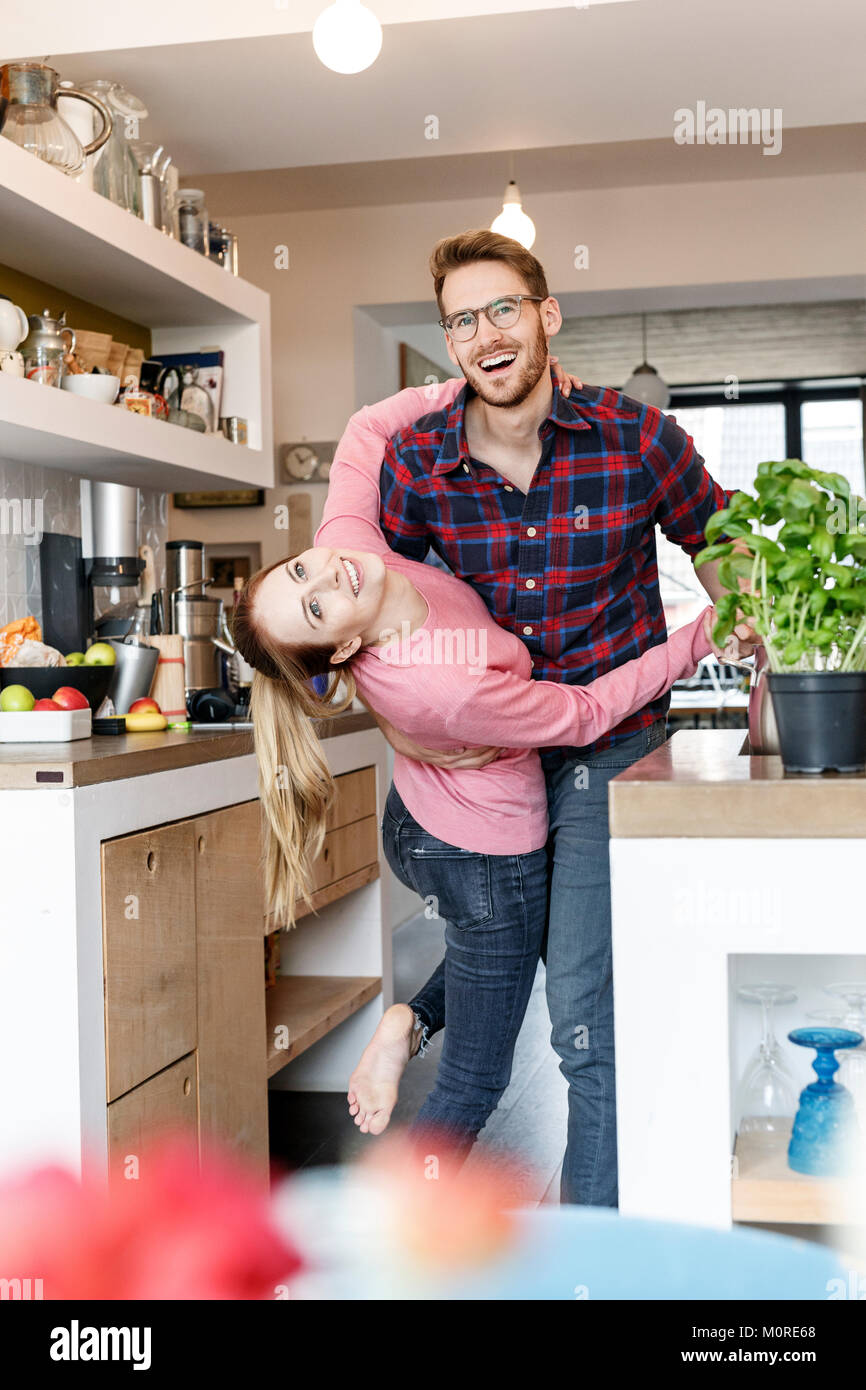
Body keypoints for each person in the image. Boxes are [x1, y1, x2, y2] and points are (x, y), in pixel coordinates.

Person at [314, 227, 759, 1204]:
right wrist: (387, 706)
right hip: (486, 769)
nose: (485, 333)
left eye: (502, 308)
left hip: (608, 742)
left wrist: (745, 612)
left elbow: (714, 538)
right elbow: (354, 597)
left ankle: (586, 1250)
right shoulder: (418, 464)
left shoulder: (636, 437)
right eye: (461, 321)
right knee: (518, 964)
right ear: (450, 344)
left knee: (578, 1015)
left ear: (546, 317)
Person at [232, 380, 735, 1168]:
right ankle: (395, 1258)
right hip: (483, 853)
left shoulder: (349, 545)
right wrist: (703, 635)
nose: (329, 581)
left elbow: (365, 427)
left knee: (506, 953)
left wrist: (468, 382)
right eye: (316, 611)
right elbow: (580, 715)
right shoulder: (450, 681)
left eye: (302, 572)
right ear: (334, 650)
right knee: (475, 1077)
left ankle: (410, 1021)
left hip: (432, 821)